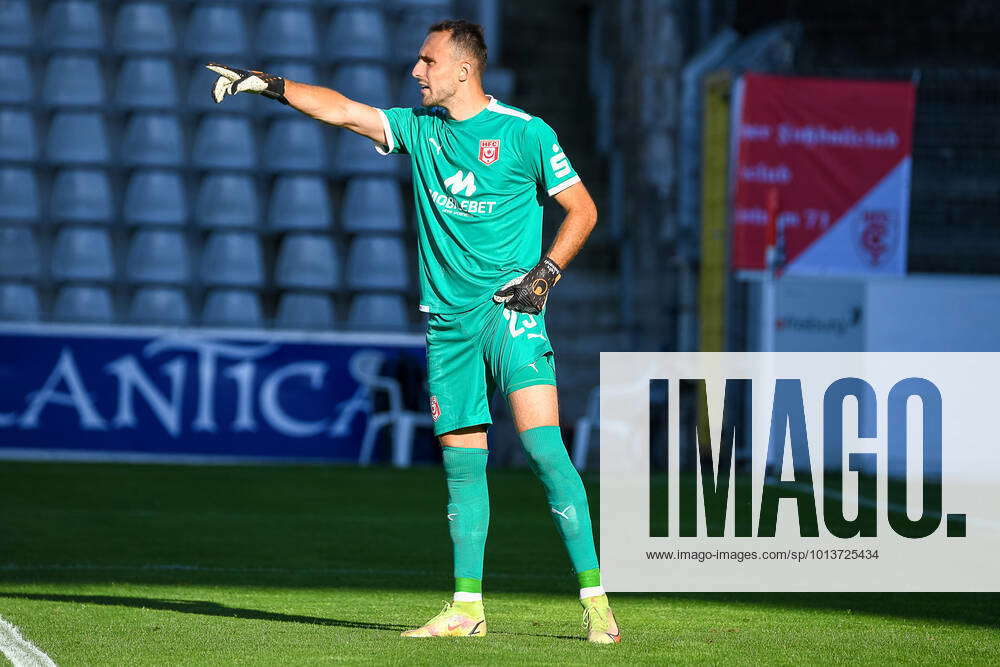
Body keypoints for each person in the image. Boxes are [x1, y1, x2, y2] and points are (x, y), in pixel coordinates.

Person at [206, 18, 619, 644]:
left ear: (464, 69)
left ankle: (596, 604)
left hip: (510, 312)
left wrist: (546, 274)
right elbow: (345, 112)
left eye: (428, 61)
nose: (416, 71)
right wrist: (271, 85)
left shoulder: (525, 133)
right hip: (447, 325)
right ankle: (466, 608)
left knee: (543, 449)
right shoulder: (419, 129)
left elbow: (583, 209)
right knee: (462, 465)